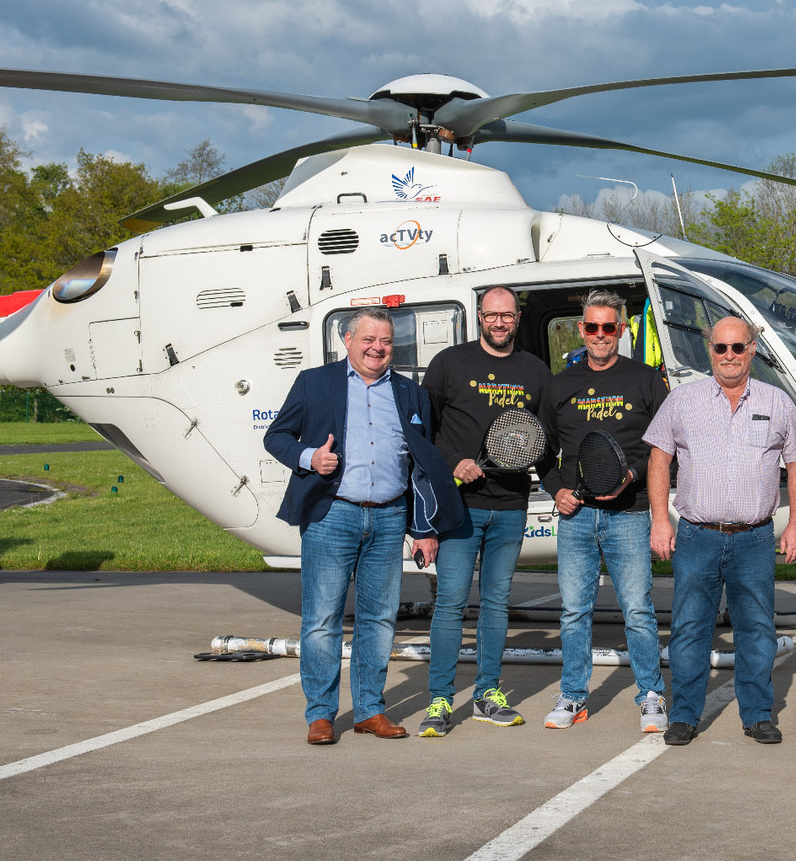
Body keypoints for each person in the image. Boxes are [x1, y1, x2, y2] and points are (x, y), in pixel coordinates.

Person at [264, 308, 462, 746]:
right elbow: (276, 436)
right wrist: (310, 458)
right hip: (332, 515)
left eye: (386, 341)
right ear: (348, 340)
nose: (378, 348)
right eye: (369, 339)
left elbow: (420, 468)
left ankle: (370, 711)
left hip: (389, 518)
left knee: (380, 619)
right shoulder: (315, 383)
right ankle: (321, 715)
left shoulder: (410, 394)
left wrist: (423, 527)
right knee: (322, 619)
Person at [645, 316, 796, 747]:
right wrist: (660, 520)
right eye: (721, 348)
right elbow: (659, 460)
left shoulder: (778, 402)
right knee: (689, 629)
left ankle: (757, 715)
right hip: (697, 535)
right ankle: (684, 715)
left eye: (738, 347)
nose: (729, 356)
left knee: (757, 629)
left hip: (755, 538)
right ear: (710, 350)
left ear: (752, 349)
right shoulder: (682, 400)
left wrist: (795, 523)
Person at [415, 286, 552, 737]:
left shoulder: (535, 371)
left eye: (506, 315)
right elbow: (424, 430)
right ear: (479, 316)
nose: (499, 323)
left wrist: (560, 488)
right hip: (459, 509)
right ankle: (439, 699)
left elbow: (541, 438)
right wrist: (453, 462)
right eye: (491, 315)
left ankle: (487, 694)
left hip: (510, 507)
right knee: (451, 603)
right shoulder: (449, 364)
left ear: (517, 318)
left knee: (496, 604)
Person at [539, 289, 670, 732]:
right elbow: (543, 451)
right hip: (576, 517)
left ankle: (650, 695)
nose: (600, 334)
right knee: (574, 612)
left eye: (608, 326)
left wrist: (632, 475)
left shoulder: (646, 380)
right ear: (581, 329)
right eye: (592, 326)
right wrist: (556, 489)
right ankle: (573, 696)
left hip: (629, 515)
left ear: (622, 330)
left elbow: (664, 447)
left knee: (638, 611)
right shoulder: (559, 385)